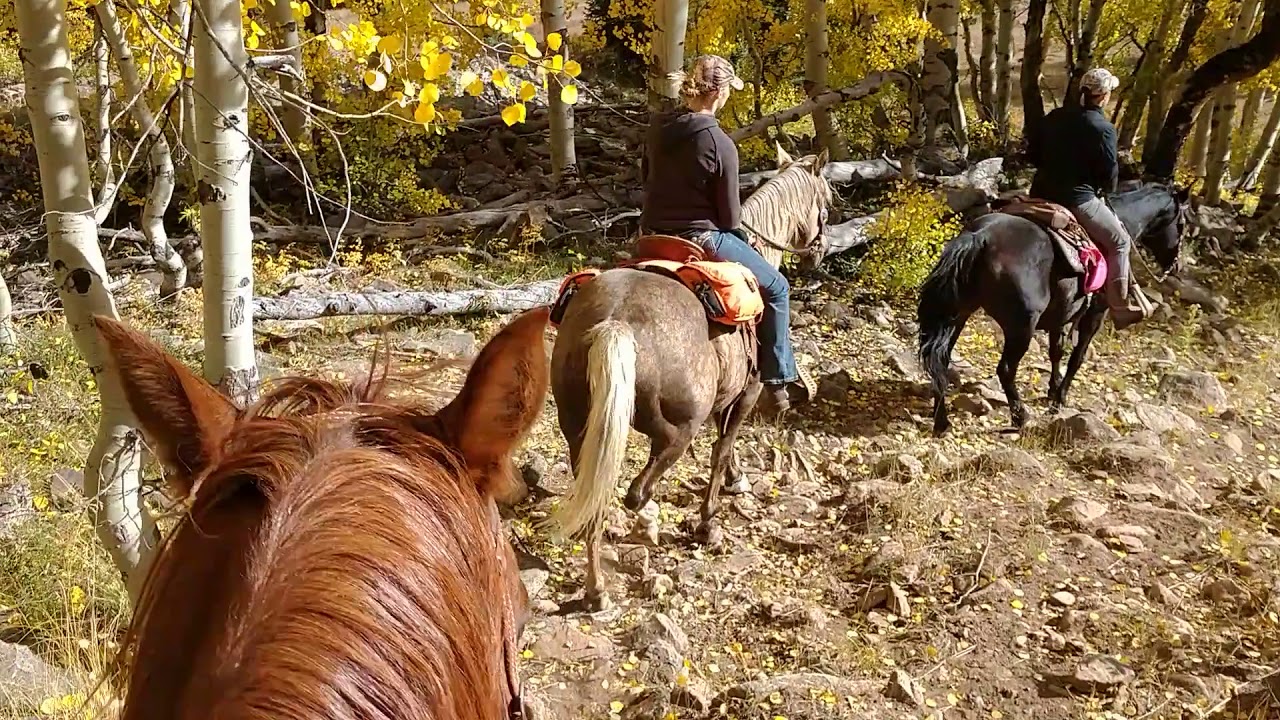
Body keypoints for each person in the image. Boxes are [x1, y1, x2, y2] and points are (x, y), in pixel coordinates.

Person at [639, 54, 811, 417]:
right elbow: (730, 217)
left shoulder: (656, 129)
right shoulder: (719, 144)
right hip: (701, 238)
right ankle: (778, 379)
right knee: (778, 287)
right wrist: (743, 241)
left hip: (652, 236)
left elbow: (646, 179)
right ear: (717, 93)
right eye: (729, 90)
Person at [1029, 66, 1146, 329]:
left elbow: (1033, 154)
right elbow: (1109, 172)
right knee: (1120, 241)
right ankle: (1120, 307)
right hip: (1077, 199)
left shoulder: (1054, 117)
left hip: (1039, 194)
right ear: (1103, 96)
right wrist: (1105, 187)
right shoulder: (1103, 128)